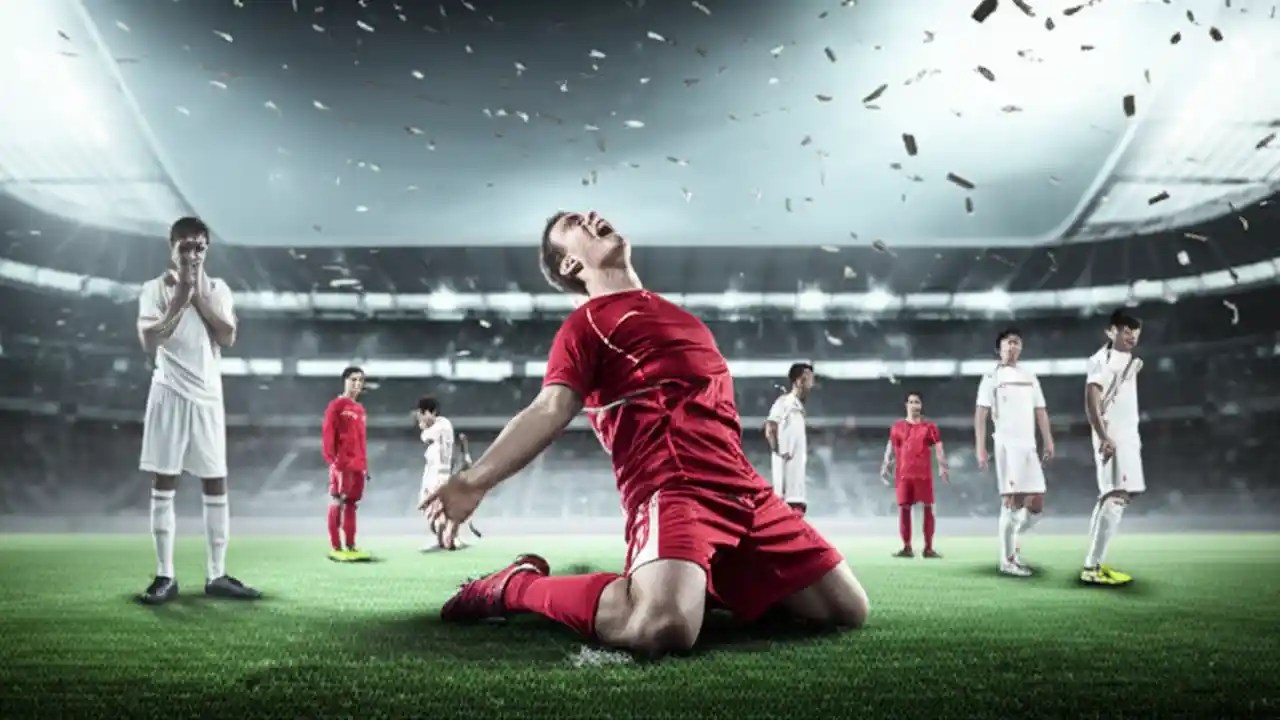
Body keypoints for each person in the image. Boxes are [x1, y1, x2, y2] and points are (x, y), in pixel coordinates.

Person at [422, 210, 869, 658]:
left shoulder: (680, 316)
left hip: (744, 492)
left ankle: (705, 580)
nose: (593, 216)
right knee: (661, 627)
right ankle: (517, 586)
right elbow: (550, 407)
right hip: (674, 490)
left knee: (846, 608)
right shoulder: (587, 325)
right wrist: (473, 480)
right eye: (577, 223)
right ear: (570, 266)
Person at [135, 217, 260, 605]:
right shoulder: (153, 289)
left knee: (216, 481)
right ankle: (164, 575)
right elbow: (149, 340)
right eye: (185, 246)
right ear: (171, 248)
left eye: (199, 246)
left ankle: (216, 574)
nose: (192, 253)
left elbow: (228, 335)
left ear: (207, 249)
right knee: (164, 482)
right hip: (169, 391)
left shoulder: (219, 289)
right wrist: (179, 297)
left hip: (207, 395)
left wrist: (197, 294)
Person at [974, 328, 1055, 577]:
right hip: (1007, 445)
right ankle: (1007, 560)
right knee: (1012, 501)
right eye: (1008, 343)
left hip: (1028, 445)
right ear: (999, 348)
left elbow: (1040, 410)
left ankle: (1013, 538)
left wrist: (1048, 440)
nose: (1013, 347)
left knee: (1037, 501)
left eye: (1017, 343)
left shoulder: (1030, 376)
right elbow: (981, 413)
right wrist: (980, 447)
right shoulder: (991, 376)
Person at [1080, 310, 1144, 586]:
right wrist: (1104, 436)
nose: (1132, 337)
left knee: (1116, 495)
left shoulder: (1128, 360)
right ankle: (1092, 568)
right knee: (1115, 497)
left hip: (1128, 434)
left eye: (1136, 332)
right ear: (1111, 331)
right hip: (1112, 435)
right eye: (1126, 331)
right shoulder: (1100, 360)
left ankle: (1094, 564)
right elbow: (1091, 400)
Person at [880, 391, 948, 558]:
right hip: (903, 474)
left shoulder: (929, 427)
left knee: (928, 509)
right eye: (911, 402)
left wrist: (942, 466)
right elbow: (890, 447)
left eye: (917, 402)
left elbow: (938, 448)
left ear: (921, 405)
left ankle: (928, 548)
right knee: (904, 509)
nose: (914, 405)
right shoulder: (897, 427)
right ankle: (906, 547)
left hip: (923, 475)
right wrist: (885, 465)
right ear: (906, 405)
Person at [416, 396, 481, 551]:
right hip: (434, 471)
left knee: (437, 507)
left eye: (422, 414)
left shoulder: (441, 425)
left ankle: (449, 538)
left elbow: (424, 436)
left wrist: (422, 425)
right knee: (435, 508)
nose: (421, 418)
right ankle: (444, 538)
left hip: (439, 473)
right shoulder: (441, 426)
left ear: (430, 412)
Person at [322, 366, 370, 562]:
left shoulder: (360, 409)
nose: (357, 384)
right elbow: (328, 434)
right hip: (342, 463)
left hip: (358, 465)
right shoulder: (336, 406)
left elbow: (361, 439)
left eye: (360, 380)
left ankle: (350, 545)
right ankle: (336, 546)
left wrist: (365, 464)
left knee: (351, 504)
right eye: (353, 380)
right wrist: (332, 460)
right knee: (337, 501)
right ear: (345, 381)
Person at [764, 362, 815, 515]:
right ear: (799, 381)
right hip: (787, 490)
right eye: (810, 379)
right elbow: (770, 428)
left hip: (797, 488)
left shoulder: (798, 408)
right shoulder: (785, 403)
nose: (812, 384)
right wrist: (779, 451)